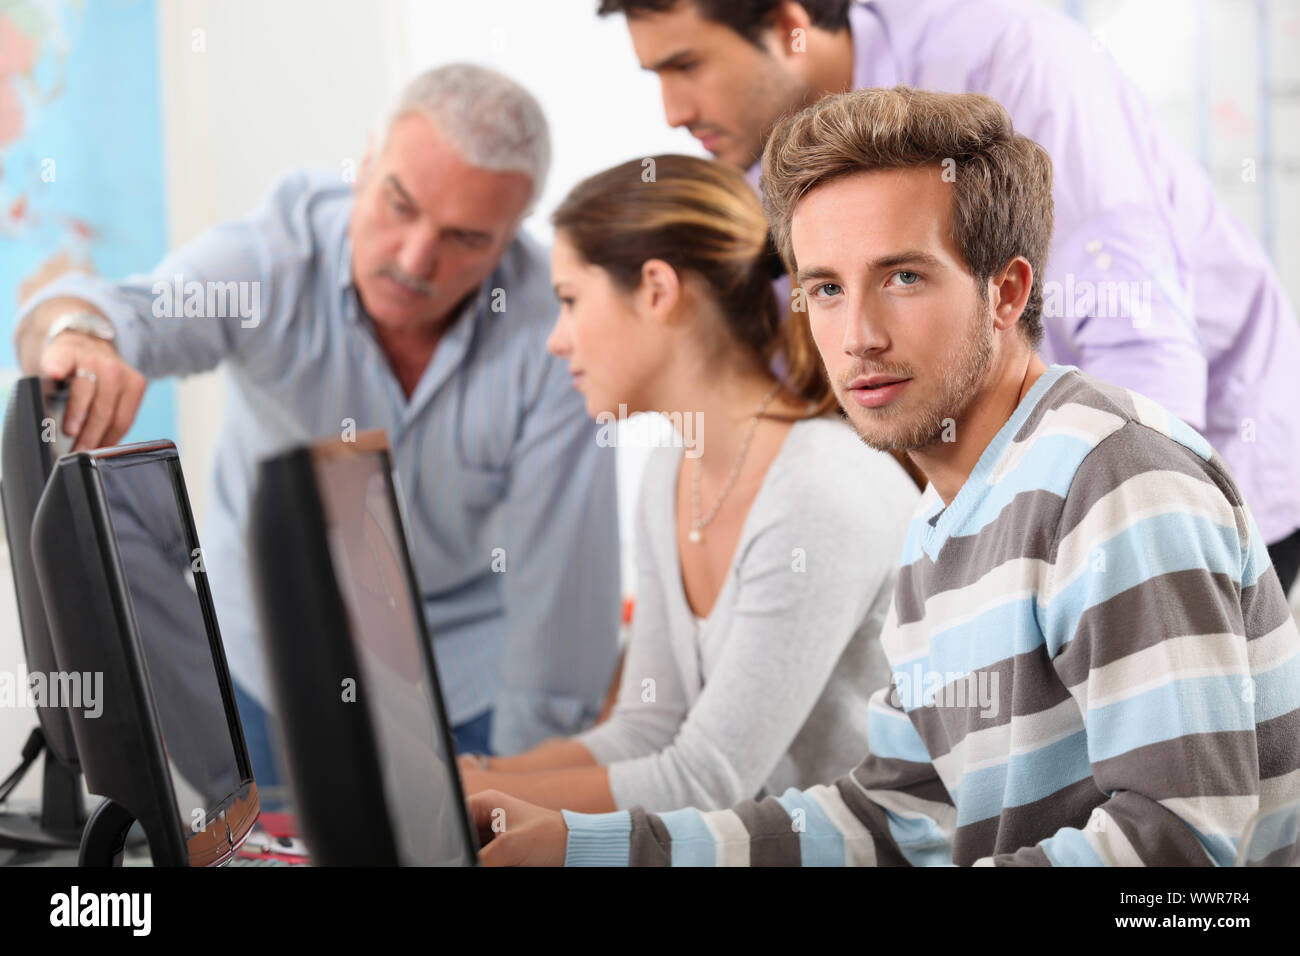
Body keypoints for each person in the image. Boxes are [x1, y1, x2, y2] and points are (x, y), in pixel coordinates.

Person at [466, 87, 1300, 866]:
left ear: (1006, 292)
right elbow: (896, 818)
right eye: (826, 289)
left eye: (903, 276)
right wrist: (588, 845)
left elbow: (1181, 853)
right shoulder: (941, 523)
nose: (857, 333)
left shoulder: (1113, 477)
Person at [12, 64, 622, 776]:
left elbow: (560, 602)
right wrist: (83, 336)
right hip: (270, 668)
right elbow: (114, 312)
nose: (415, 258)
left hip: (459, 686)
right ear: (366, 164)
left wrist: (522, 785)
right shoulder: (274, 258)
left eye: (465, 239)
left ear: (512, 237)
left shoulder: (554, 329)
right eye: (399, 204)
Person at [599, 0, 1300, 594]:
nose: (672, 112)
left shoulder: (1006, 59)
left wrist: (1136, 556)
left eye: (685, 66)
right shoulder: (774, 168)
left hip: (1207, 455)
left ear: (789, 26)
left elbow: (1140, 345)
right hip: (1011, 504)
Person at [457, 155, 918, 813]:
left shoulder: (818, 491)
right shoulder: (670, 471)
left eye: (569, 301)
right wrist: (477, 774)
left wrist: (468, 795)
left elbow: (701, 781)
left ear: (655, 289)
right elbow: (647, 728)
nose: (556, 340)